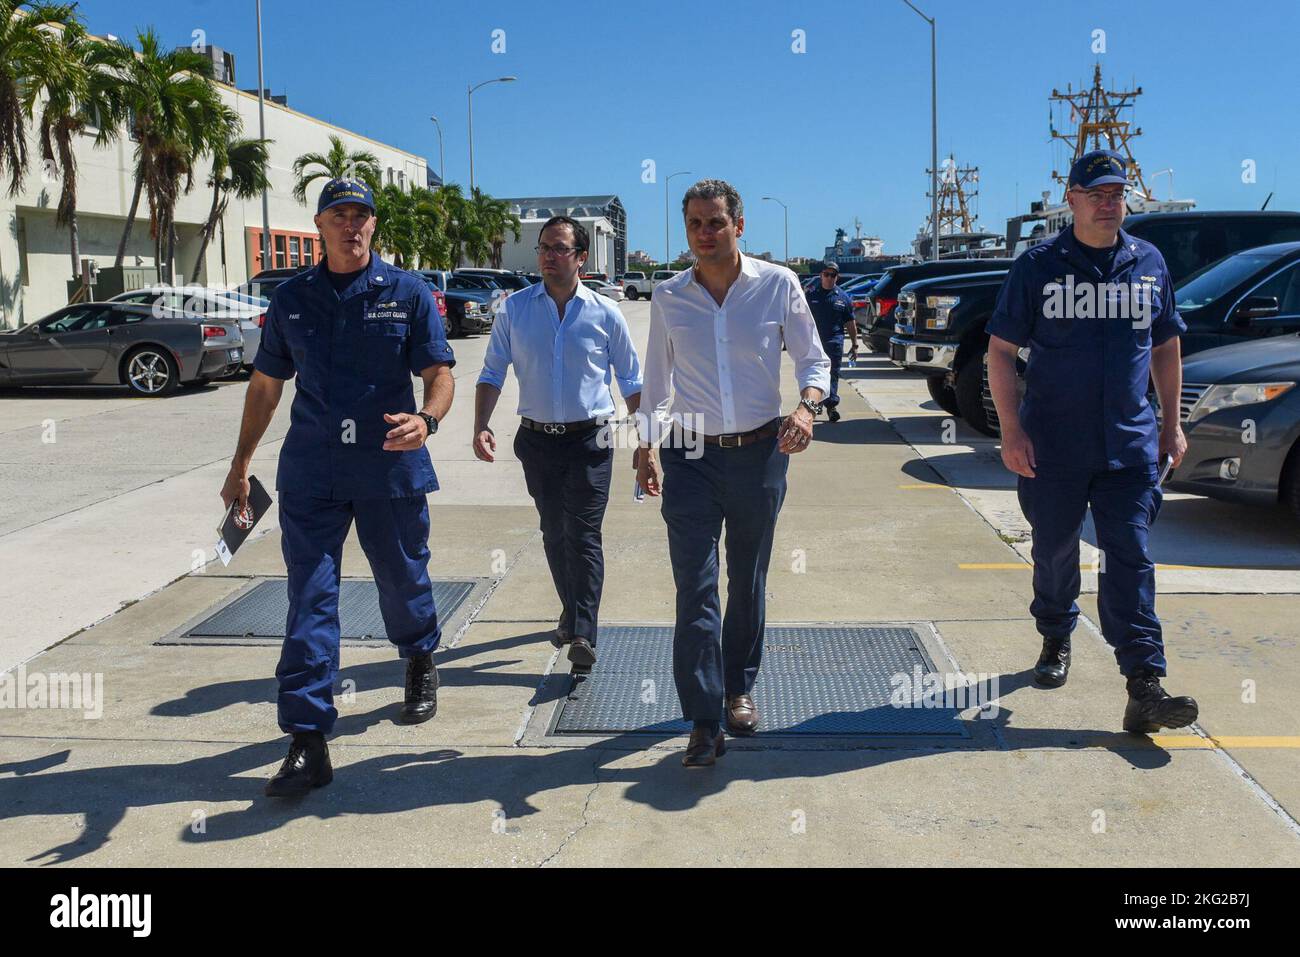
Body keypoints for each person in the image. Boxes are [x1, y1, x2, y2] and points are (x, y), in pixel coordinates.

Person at [220, 178, 456, 797]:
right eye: (338, 215)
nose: (350, 225)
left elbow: (440, 372)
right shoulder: (293, 299)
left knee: (404, 578)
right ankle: (306, 738)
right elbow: (266, 386)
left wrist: (427, 419)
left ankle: (419, 656)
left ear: (373, 226)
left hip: (388, 467)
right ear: (319, 225)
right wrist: (242, 461)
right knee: (310, 599)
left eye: (360, 215)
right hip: (313, 472)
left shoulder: (406, 293)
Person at [986, 149, 1199, 734]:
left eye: (1116, 193)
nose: (1109, 204)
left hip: (1128, 446)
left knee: (1129, 556)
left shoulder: (1148, 262)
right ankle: (1056, 632)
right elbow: (1000, 353)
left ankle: (1144, 685)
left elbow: (1164, 345)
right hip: (1051, 446)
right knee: (1054, 550)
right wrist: (1011, 430)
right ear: (1072, 200)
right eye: (1096, 194)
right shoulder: (1037, 267)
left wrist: (1170, 422)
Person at [637, 179, 830, 767]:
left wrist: (806, 406)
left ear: (738, 226)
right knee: (695, 586)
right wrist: (645, 447)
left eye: (715, 223)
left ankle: (739, 686)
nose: (704, 234)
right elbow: (656, 381)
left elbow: (814, 359)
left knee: (746, 579)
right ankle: (702, 718)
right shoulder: (670, 296)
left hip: (760, 454)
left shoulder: (778, 285)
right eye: (695, 224)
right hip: (689, 457)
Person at [473, 215, 643, 671]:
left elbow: (631, 379)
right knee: (554, 532)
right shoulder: (515, 309)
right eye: (544, 247)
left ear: (581, 258)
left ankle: (583, 632)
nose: (548, 256)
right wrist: (481, 424)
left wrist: (646, 444)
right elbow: (492, 372)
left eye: (559, 248)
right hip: (537, 442)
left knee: (584, 534)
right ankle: (571, 611)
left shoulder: (606, 313)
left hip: (591, 439)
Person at [805, 260, 859, 421]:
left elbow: (850, 322)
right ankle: (815, 404)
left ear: (837, 277)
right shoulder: (811, 295)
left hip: (834, 342)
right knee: (814, 374)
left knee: (832, 374)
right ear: (821, 275)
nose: (829, 278)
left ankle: (831, 406)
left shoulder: (843, 298)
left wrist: (855, 344)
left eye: (833, 275)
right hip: (814, 342)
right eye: (826, 274)